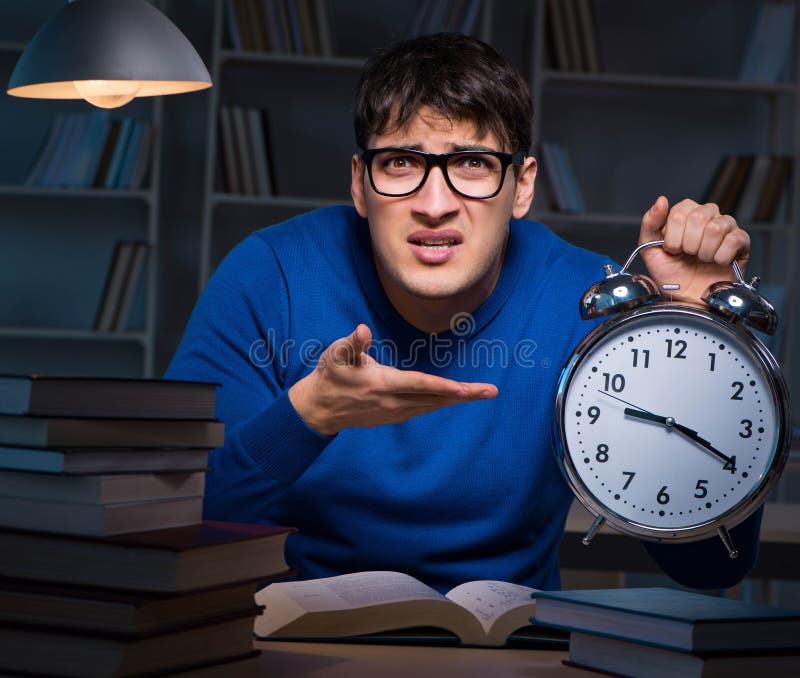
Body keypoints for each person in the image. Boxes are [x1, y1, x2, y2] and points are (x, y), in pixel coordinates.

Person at [166, 32, 760, 593]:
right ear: (359, 183)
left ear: (522, 186)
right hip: (292, 648)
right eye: (400, 162)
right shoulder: (268, 276)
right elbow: (168, 524)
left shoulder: (590, 300)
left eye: (473, 163)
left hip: (511, 654)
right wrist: (309, 415)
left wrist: (700, 336)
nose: (434, 204)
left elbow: (707, 566)